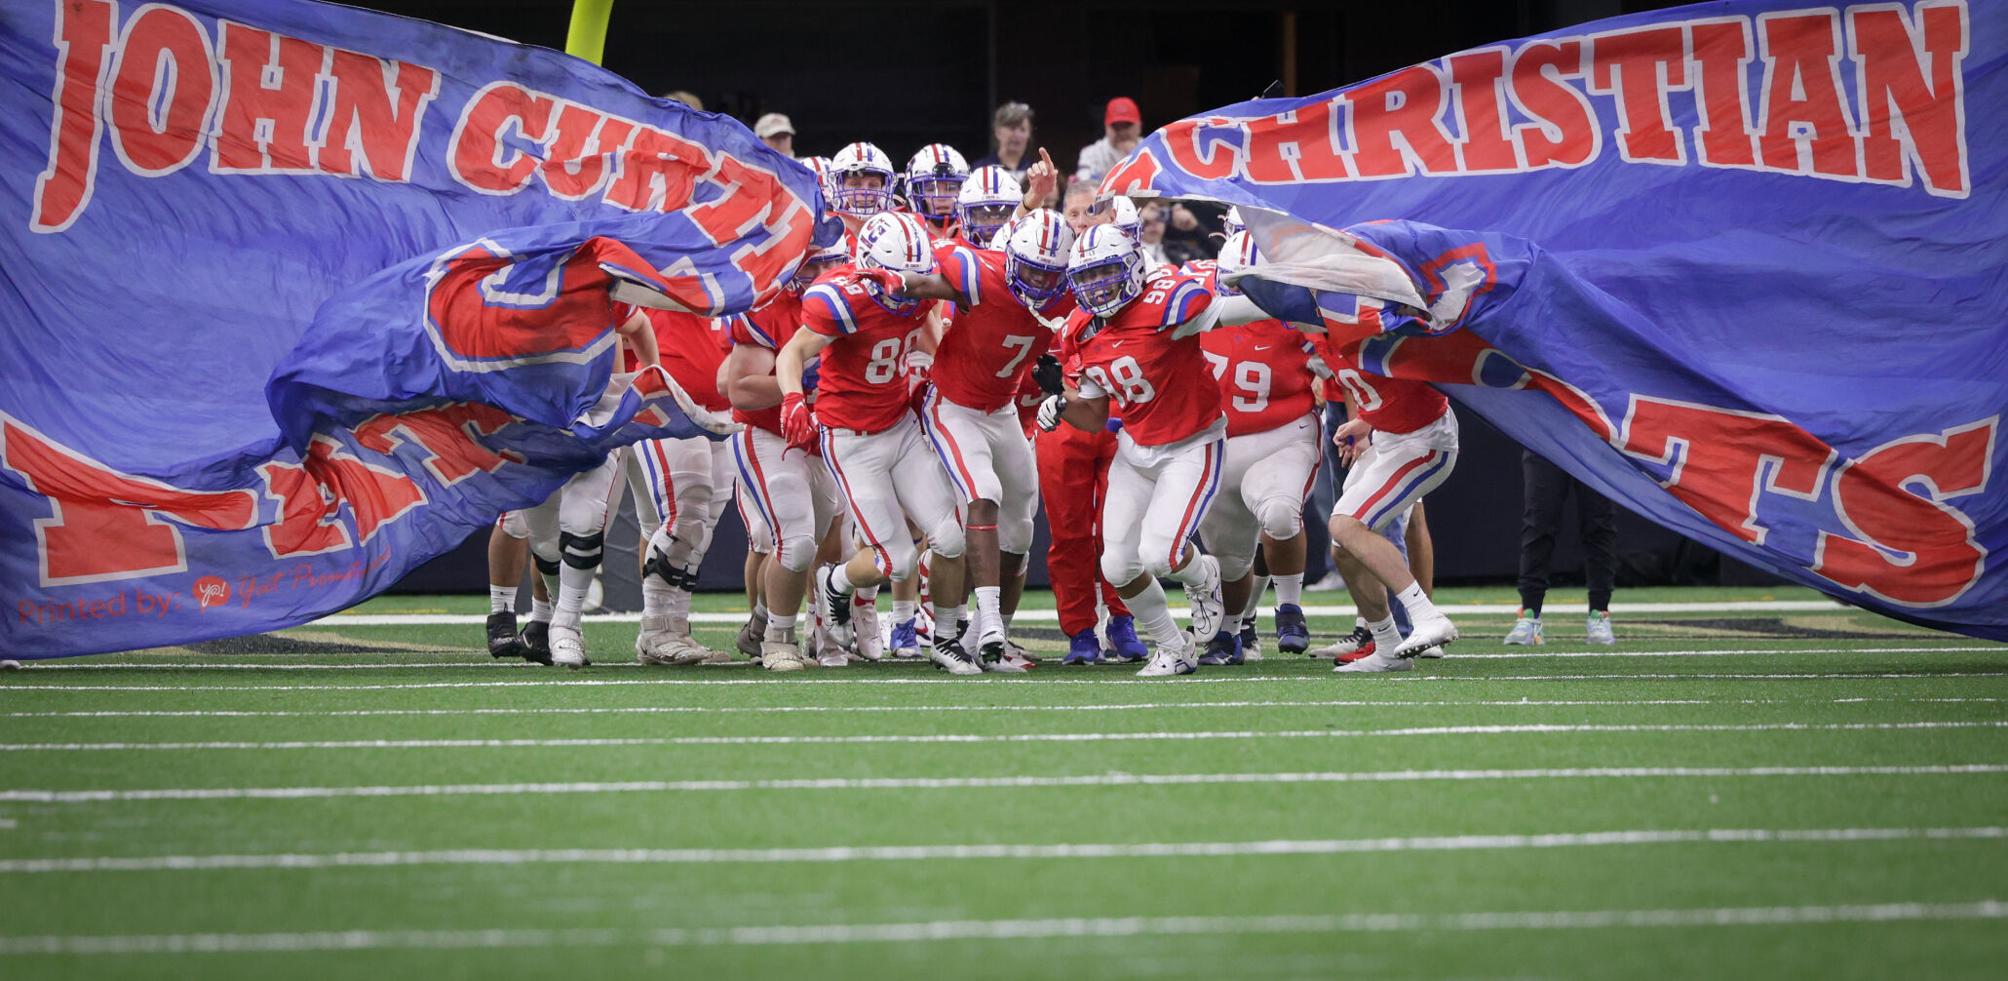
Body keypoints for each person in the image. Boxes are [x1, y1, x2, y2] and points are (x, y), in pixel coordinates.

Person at [1036, 226, 1266, 676]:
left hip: (1191, 444)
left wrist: (1302, 299)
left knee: (1162, 554)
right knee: (1118, 564)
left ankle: (1205, 577)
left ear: (1134, 267)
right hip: (1136, 448)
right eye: (1087, 277)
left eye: (1106, 272)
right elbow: (1095, 417)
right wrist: (1062, 405)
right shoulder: (1081, 330)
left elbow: (1245, 310)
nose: (1098, 286)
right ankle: (1172, 647)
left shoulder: (1168, 302)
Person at [773, 212, 978, 674]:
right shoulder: (841, 299)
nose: (905, 293)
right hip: (850, 439)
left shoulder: (918, 287)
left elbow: (940, 313)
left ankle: (946, 639)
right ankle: (835, 582)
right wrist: (791, 399)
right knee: (899, 560)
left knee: (949, 537)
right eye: (895, 283)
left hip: (899, 426)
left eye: (912, 282)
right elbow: (793, 352)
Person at [888, 209, 1075, 671]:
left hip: (1003, 409)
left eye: (1048, 273)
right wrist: (892, 281)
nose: (1036, 279)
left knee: (1022, 525)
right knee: (983, 493)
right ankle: (986, 618)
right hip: (951, 404)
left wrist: (1064, 366)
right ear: (1011, 257)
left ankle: (990, 637)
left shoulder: (1068, 293)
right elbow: (922, 279)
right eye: (1030, 267)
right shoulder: (979, 273)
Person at [721, 236, 852, 671]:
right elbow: (739, 388)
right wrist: (804, 384)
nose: (820, 278)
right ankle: (778, 638)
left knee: (817, 545)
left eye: (829, 265)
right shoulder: (769, 309)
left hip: (825, 440)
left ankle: (760, 623)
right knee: (794, 544)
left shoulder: (854, 304)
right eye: (810, 267)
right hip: (770, 436)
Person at [1191, 233, 1321, 663]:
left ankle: (1289, 607)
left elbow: (1343, 362)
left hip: (1282, 432)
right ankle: (1231, 634)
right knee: (1229, 558)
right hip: (1216, 441)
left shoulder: (1304, 310)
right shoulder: (1193, 296)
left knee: (1281, 512)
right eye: (1233, 284)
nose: (1240, 295)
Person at [520, 310, 662, 668]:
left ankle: (566, 625)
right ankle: (559, 612)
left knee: (583, 522)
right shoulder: (506, 290)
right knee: (544, 542)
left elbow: (638, 324)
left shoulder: (595, 286)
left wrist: (650, 379)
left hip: (594, 417)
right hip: (532, 422)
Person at [1317, 330, 1462, 673]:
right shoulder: (1325, 335)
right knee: (1342, 547)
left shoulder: (1367, 323)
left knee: (1346, 524)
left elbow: (1418, 379)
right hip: (1389, 438)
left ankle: (1426, 616)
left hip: (1425, 441)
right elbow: (1384, 392)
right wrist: (1365, 422)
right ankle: (1387, 647)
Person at [618, 304, 737, 666]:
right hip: (668, 399)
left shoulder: (736, 264)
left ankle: (675, 628)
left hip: (722, 406)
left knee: (701, 528)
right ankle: (655, 629)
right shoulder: (667, 257)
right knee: (684, 515)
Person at [1506, 450, 1619, 645]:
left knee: (1598, 523)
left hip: (1592, 437)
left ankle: (1599, 612)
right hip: (1547, 435)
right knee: (1539, 521)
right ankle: (1530, 613)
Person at [827, 142, 898, 235]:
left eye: (873, 185)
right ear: (839, 187)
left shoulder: (897, 227)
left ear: (884, 187)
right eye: (855, 184)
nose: (865, 192)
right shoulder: (825, 229)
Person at [902, 144, 969, 236]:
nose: (941, 197)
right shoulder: (902, 233)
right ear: (915, 192)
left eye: (951, 188)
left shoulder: (976, 236)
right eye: (931, 189)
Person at [1074, 97, 1142, 184]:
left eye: (1127, 126)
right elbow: (1084, 185)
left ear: (1139, 126)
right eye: (1116, 126)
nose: (1121, 132)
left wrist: (1132, 154)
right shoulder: (1091, 153)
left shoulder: (1153, 149)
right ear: (1106, 127)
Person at [957, 166, 1022, 248]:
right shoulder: (955, 252)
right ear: (965, 216)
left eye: (1001, 216)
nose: (993, 224)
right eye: (985, 216)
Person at [972, 102, 1036, 184]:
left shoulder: (1036, 171)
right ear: (997, 132)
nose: (1017, 135)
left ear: (1029, 135)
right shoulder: (980, 169)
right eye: (1012, 128)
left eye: (1022, 129)